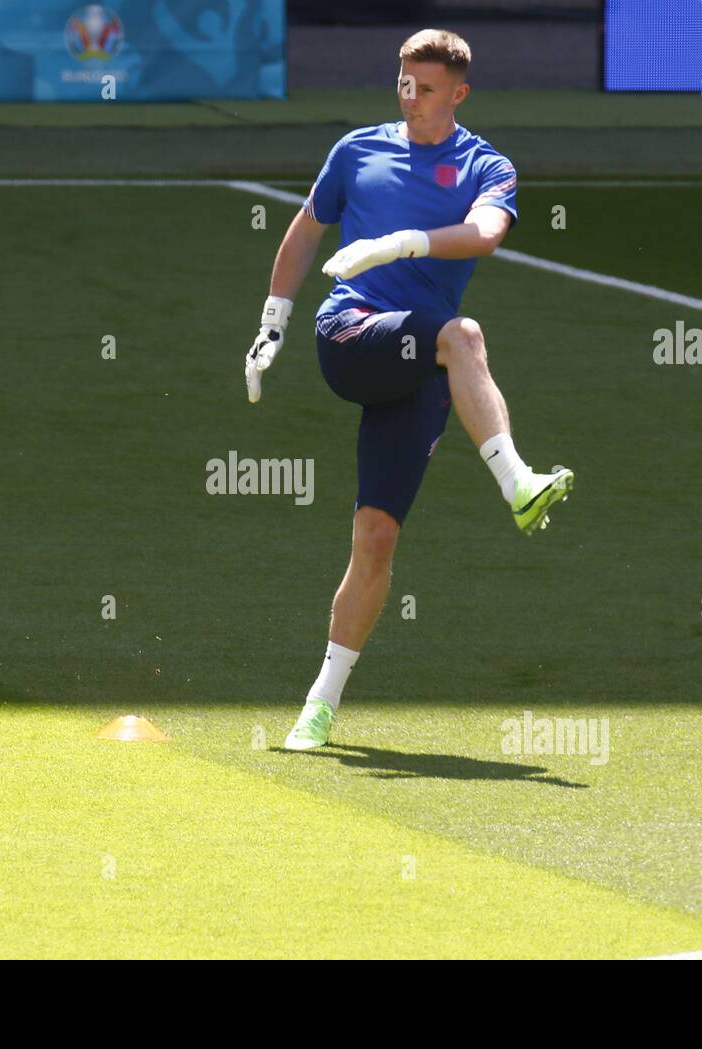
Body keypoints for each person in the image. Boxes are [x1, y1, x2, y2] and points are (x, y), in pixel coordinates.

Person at [242, 28, 575, 751]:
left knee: (376, 537)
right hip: (349, 334)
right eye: (402, 82)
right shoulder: (357, 149)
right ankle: (518, 485)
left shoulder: (488, 165)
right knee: (465, 336)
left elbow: (485, 233)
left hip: (420, 364)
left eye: (425, 88)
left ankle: (318, 706)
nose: (410, 98)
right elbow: (306, 230)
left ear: (458, 93)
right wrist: (274, 321)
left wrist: (401, 243)